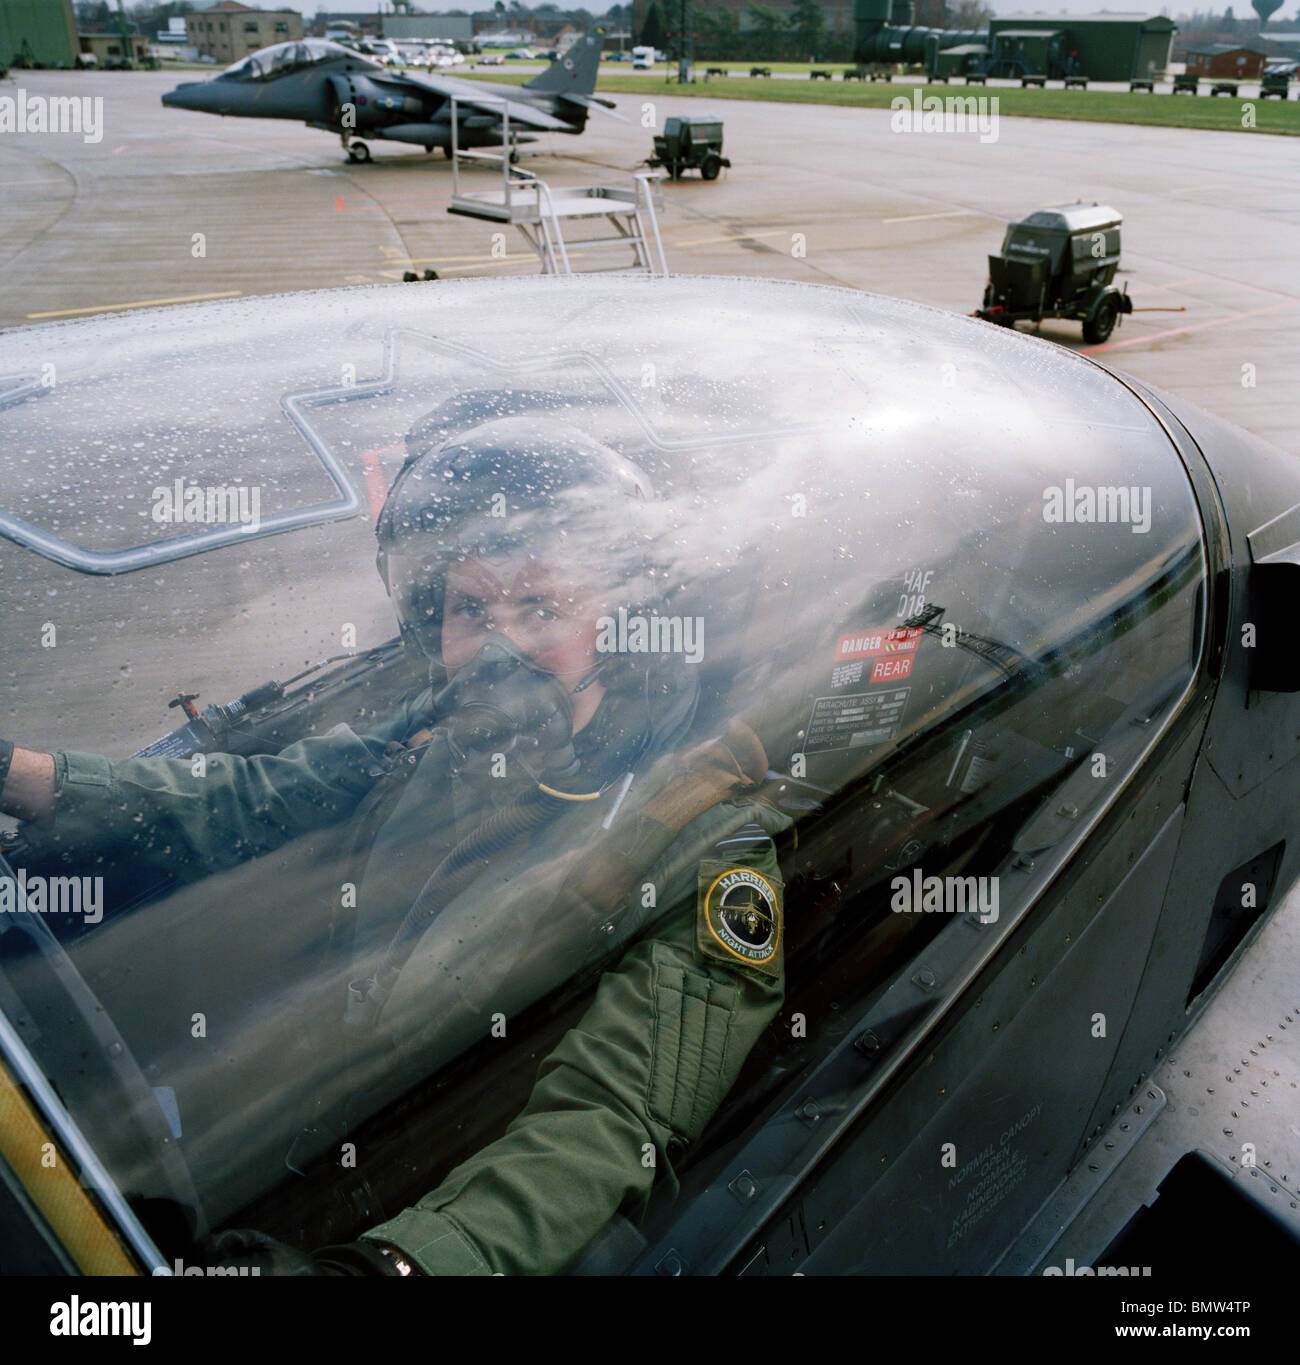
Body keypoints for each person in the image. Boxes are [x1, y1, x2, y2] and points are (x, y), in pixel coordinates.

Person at [0, 414, 792, 1275]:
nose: (498, 646)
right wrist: (32, 774)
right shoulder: (445, 730)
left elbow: (608, 1124)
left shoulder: (707, 835)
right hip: (327, 1123)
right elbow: (261, 794)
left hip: (432, 1197)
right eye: (470, 609)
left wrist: (392, 1267)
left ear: (620, 621)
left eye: (539, 605)